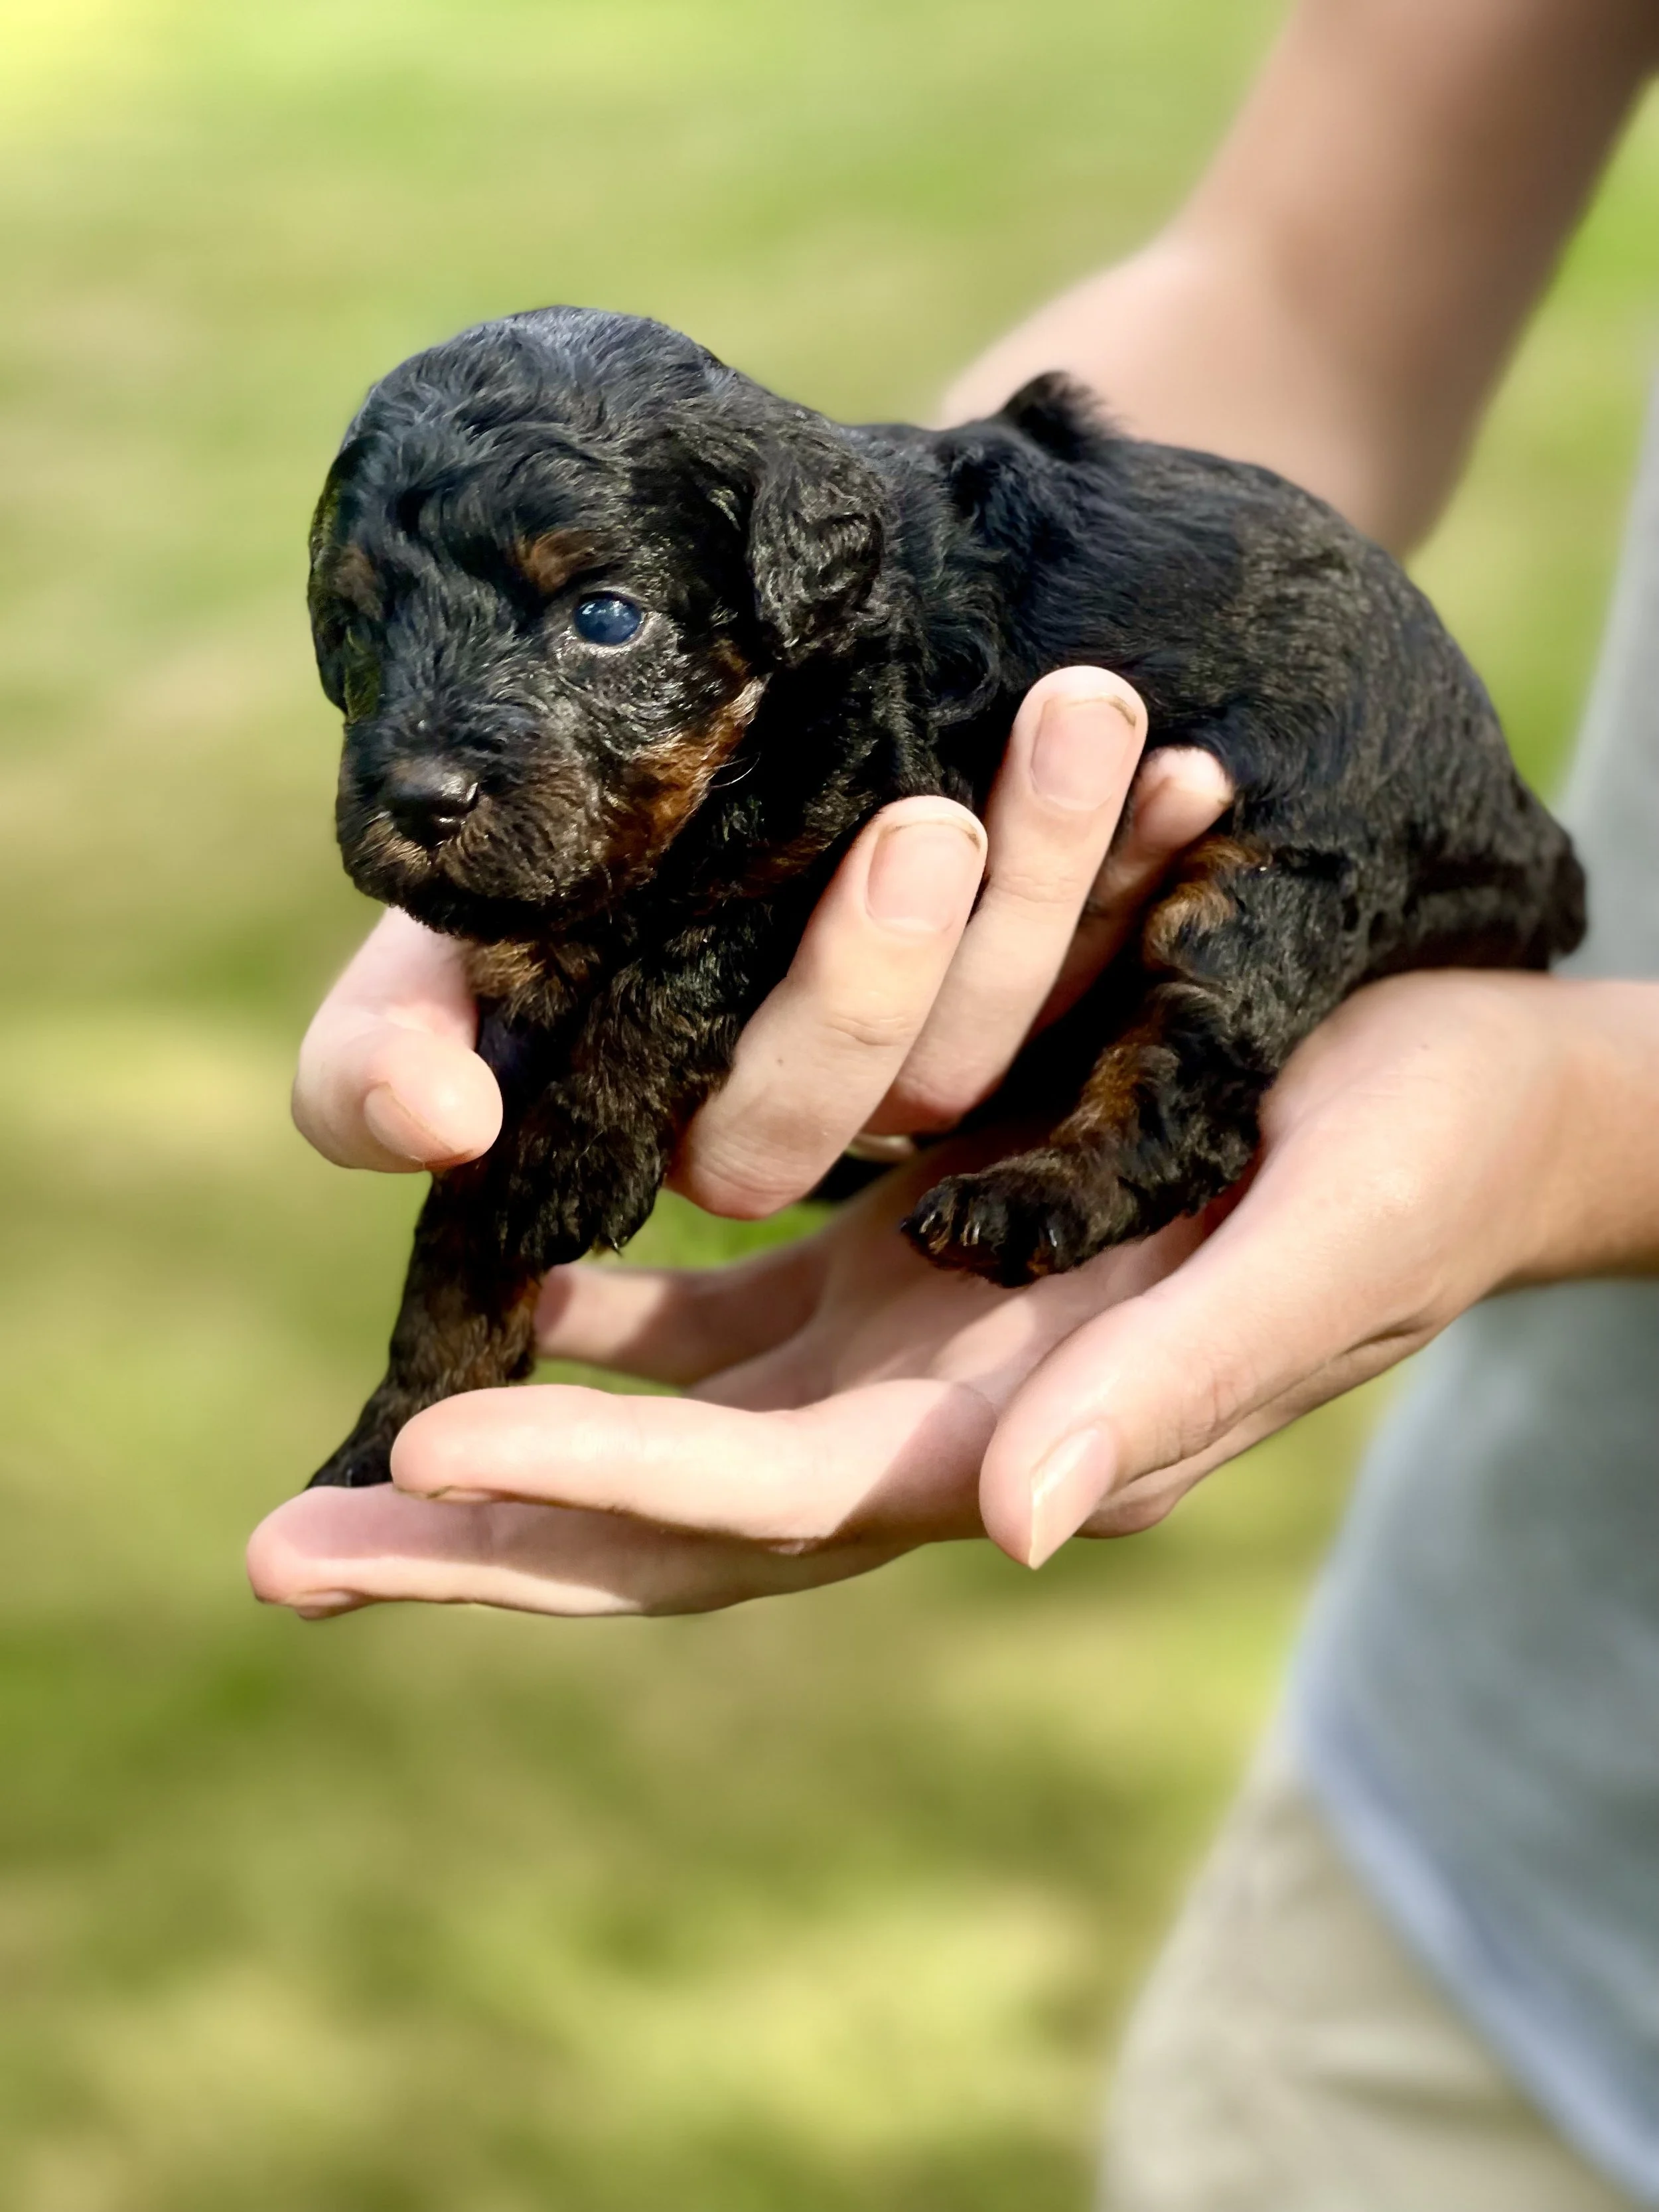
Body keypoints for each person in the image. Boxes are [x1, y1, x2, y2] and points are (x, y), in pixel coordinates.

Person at [250, 0, 1659, 2201]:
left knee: (993, 1018)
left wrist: (1572, 1120)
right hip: (1462, 1871)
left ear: (776, 585)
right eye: (374, 632)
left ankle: (1133, 1136)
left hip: (1344, 806)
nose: (431, 741)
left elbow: (590, 1122)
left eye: (594, 622)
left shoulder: (800, 719)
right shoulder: (801, 573)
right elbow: (1301, 272)